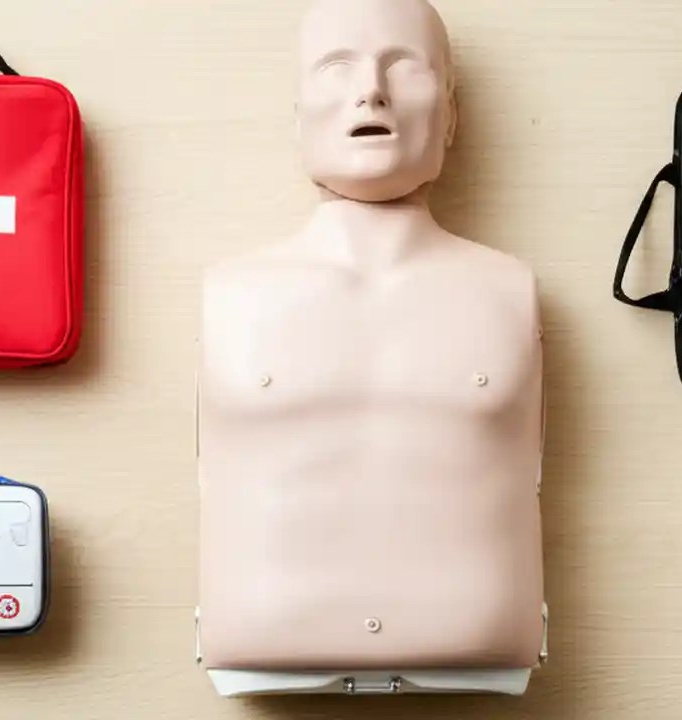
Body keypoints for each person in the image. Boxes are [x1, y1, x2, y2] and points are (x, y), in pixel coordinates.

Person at [197, 0, 545, 679]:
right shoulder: (231, 293)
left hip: (484, 649)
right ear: (296, 114)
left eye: (403, 68)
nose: (370, 91)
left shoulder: (509, 290)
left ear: (452, 115)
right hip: (260, 646)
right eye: (336, 68)